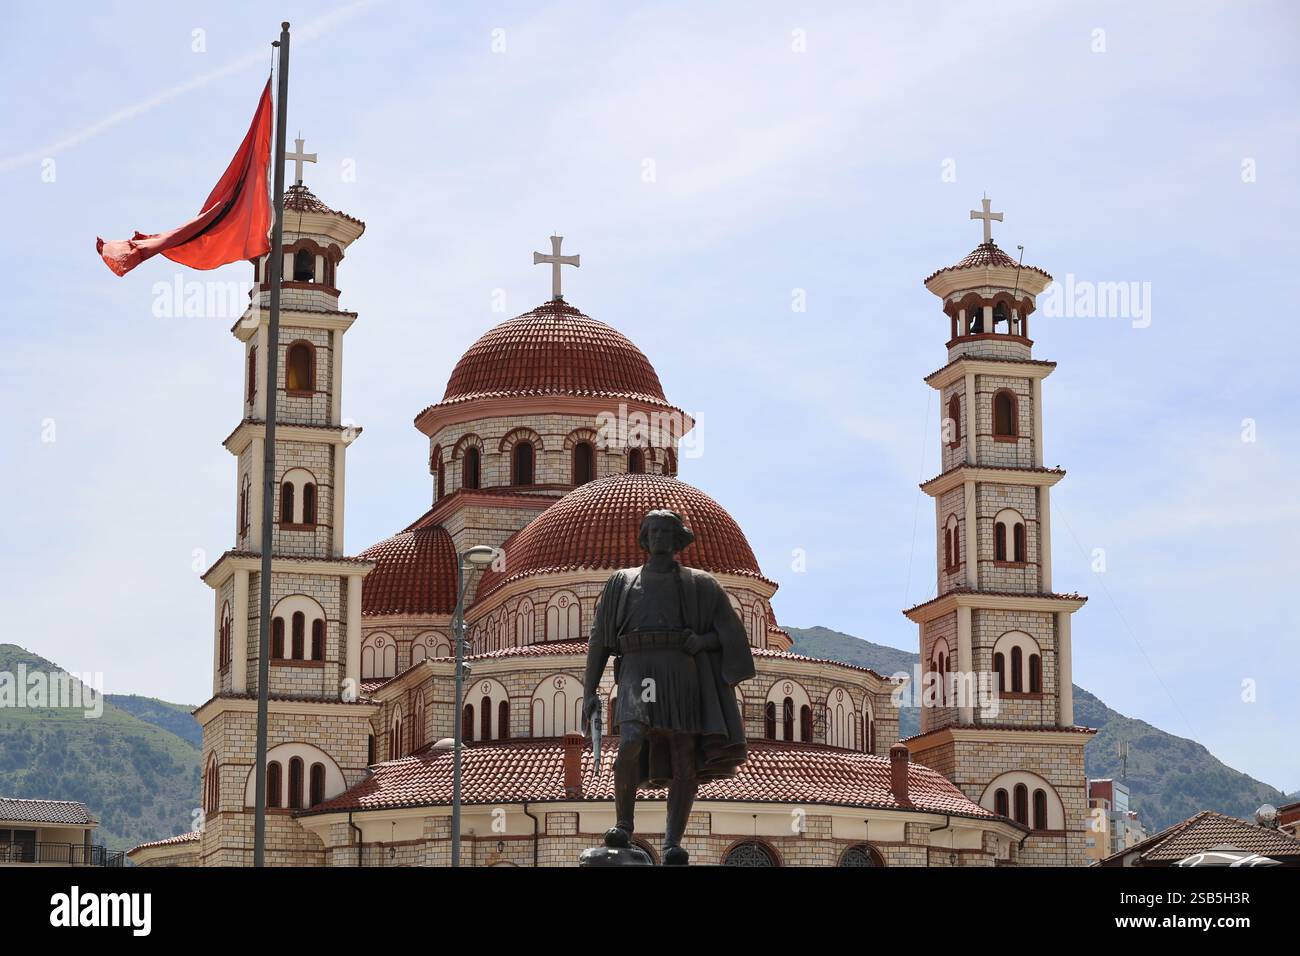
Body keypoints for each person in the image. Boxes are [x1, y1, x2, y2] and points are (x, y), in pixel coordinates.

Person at [582, 509, 755, 865]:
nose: (659, 537)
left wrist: (702, 641)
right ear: (645, 539)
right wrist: (589, 690)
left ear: (678, 540)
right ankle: (623, 824)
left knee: (683, 754)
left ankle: (673, 841)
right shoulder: (622, 581)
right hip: (637, 667)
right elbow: (600, 639)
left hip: (680, 669)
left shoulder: (700, 583)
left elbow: (731, 633)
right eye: (653, 531)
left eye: (666, 532)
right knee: (630, 741)